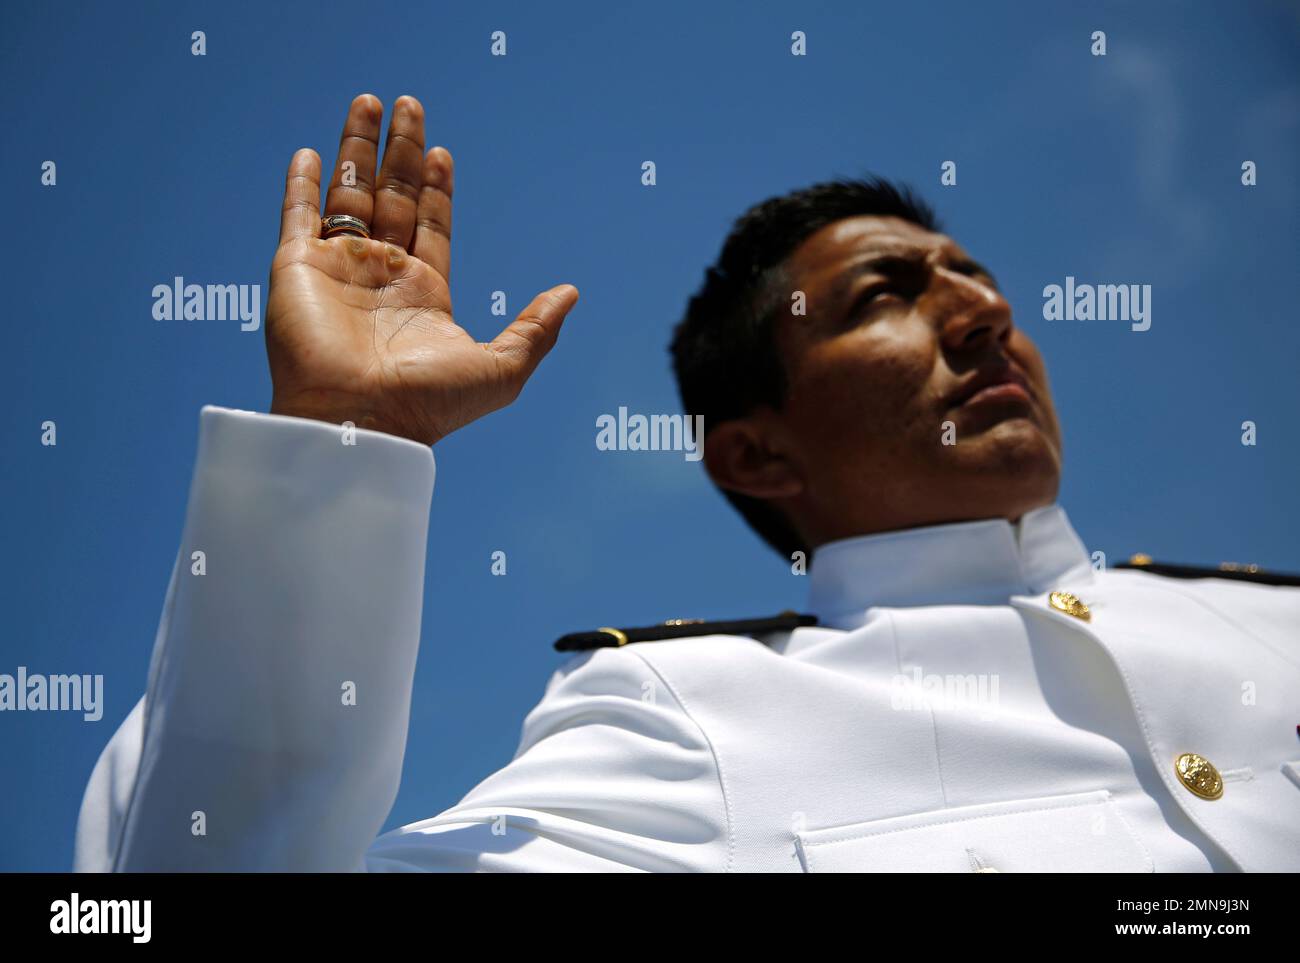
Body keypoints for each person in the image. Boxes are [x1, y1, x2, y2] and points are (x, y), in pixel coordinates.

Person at [74, 94, 1300, 873]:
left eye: (971, 278)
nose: (982, 313)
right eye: (887, 297)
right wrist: (337, 445)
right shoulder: (689, 717)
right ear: (756, 452)